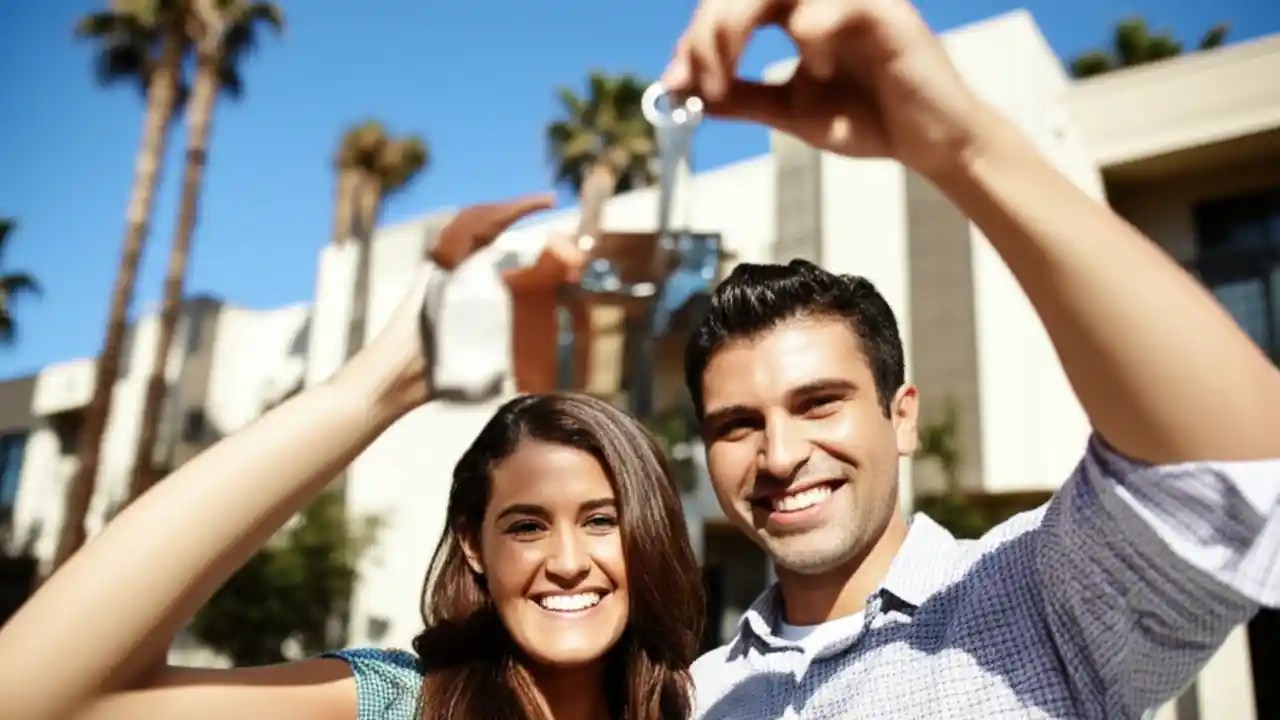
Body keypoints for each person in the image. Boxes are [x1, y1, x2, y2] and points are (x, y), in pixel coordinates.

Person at [662, 1, 1280, 718]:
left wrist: (958, 145)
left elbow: (1237, 467)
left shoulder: (1038, 598)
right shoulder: (693, 695)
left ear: (902, 417)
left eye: (818, 402)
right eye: (736, 424)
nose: (779, 454)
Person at [0, 195, 705, 720]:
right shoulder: (396, 703)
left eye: (602, 520)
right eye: (525, 526)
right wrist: (369, 391)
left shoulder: (725, 704)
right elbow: (32, 696)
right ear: (475, 546)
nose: (568, 560)